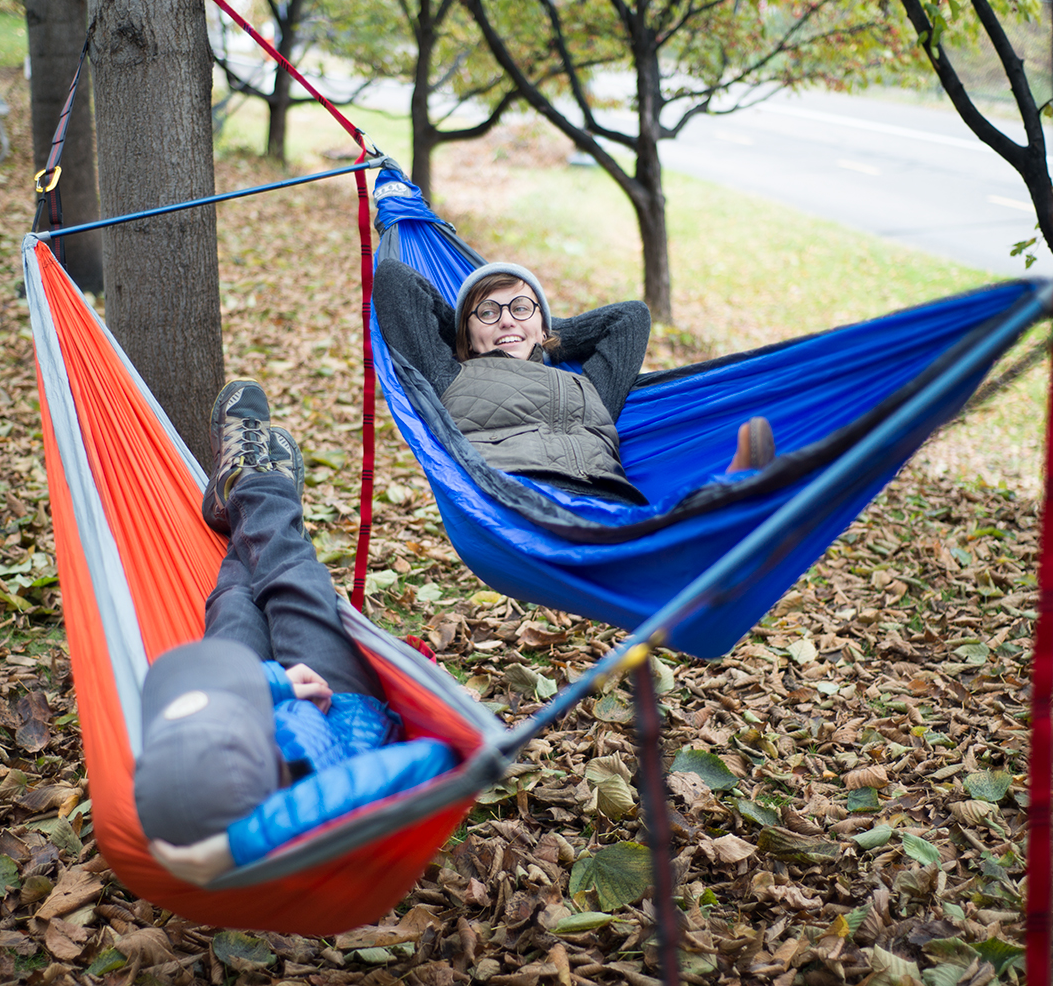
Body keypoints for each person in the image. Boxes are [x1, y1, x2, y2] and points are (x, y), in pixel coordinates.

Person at [135, 381, 455, 887]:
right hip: (346, 705)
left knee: (234, 602)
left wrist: (273, 688)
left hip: (279, 687)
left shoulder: (173, 771)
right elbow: (433, 759)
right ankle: (255, 488)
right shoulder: (327, 806)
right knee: (290, 575)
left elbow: (180, 698)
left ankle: (243, 493)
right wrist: (237, 847)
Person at [372, 259, 774, 506]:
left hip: (607, 499)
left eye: (521, 307)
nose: (507, 318)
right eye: (489, 311)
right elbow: (394, 281)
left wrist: (543, 335)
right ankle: (731, 498)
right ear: (465, 333)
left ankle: (731, 500)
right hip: (516, 498)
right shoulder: (449, 374)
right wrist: (465, 330)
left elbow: (631, 317)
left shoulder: (590, 387)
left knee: (653, 532)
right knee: (650, 536)